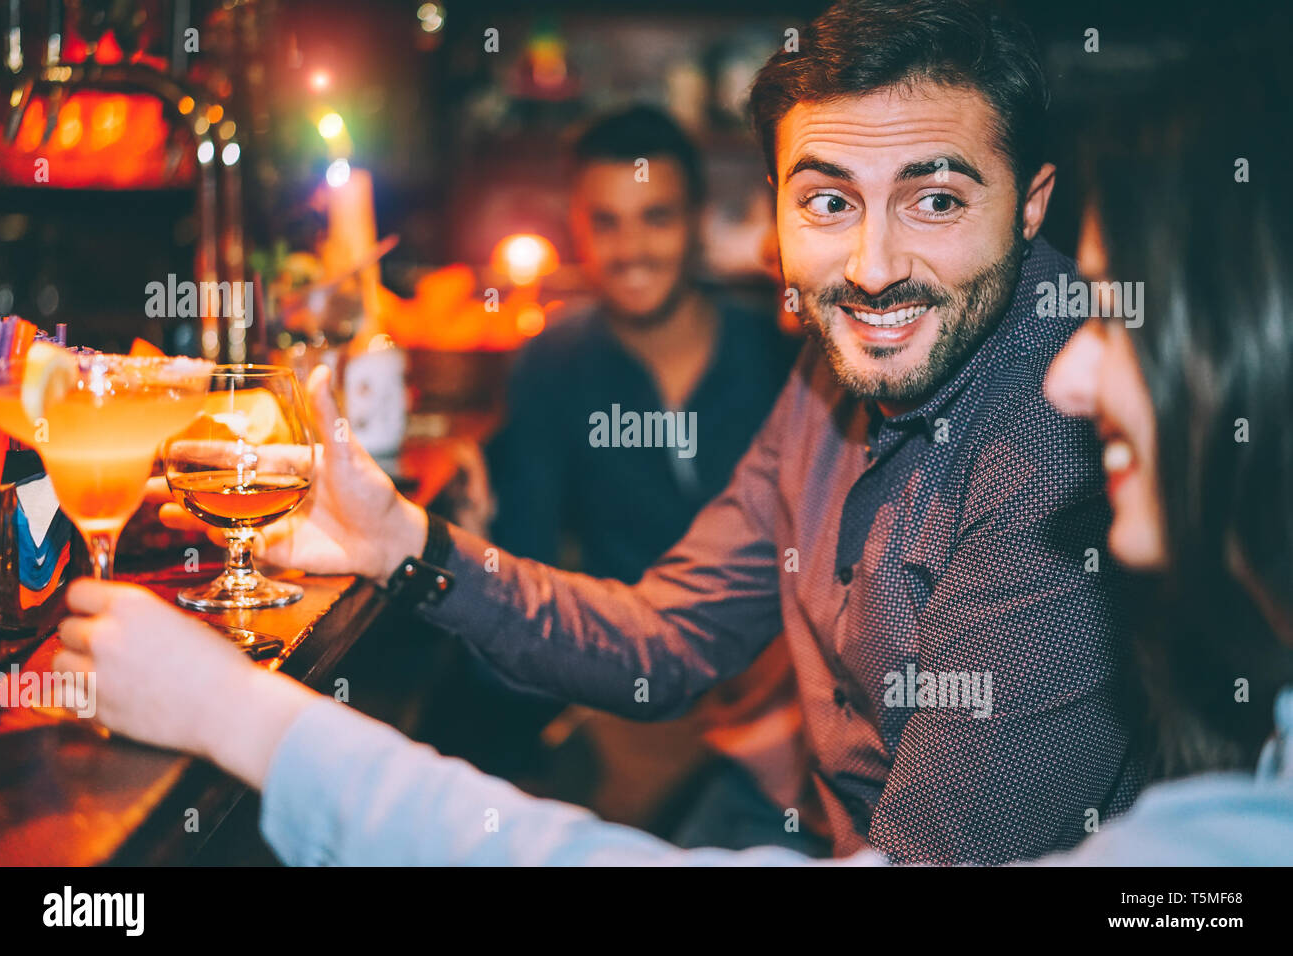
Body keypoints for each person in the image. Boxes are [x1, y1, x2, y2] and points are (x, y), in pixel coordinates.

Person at [68, 0, 1145, 865]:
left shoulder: (1059, 449)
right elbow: (667, 632)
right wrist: (408, 545)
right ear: (773, 209)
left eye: (936, 201)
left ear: (1031, 201)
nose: (870, 265)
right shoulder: (844, 358)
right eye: (827, 203)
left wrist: (247, 718)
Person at [453, 105, 819, 853]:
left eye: (655, 217)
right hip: (634, 694)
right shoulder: (551, 366)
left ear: (695, 222)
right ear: (576, 229)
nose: (631, 250)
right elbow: (528, 587)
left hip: (789, 696)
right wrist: (473, 542)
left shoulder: (784, 353)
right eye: (606, 222)